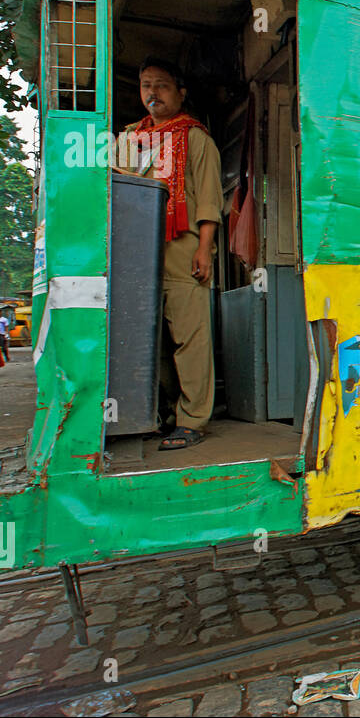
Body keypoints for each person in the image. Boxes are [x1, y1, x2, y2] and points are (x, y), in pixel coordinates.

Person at [113, 57, 222, 450]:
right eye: (145, 85)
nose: (152, 93)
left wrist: (204, 250)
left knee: (190, 336)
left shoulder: (196, 138)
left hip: (183, 246)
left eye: (161, 85)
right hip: (136, 249)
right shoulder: (127, 138)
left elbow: (209, 200)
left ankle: (192, 419)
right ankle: (155, 413)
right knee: (146, 334)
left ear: (180, 92)